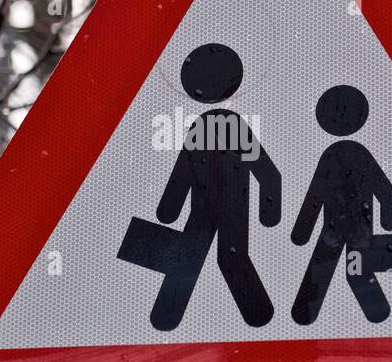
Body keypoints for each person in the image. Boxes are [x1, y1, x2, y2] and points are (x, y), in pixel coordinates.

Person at [118, 43, 281, 330]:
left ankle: (261, 318)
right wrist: (169, 207)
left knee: (227, 258)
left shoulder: (229, 125)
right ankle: (168, 319)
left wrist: (269, 209)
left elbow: (267, 172)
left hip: (231, 206)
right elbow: (185, 168)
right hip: (203, 207)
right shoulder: (207, 126)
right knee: (200, 259)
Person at [290, 85, 392, 325]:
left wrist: (302, 231)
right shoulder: (342, 154)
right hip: (340, 226)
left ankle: (375, 314)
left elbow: (315, 195)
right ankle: (306, 315)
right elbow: (316, 193)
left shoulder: (345, 153)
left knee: (340, 266)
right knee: (341, 266)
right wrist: (389, 218)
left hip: (354, 226)